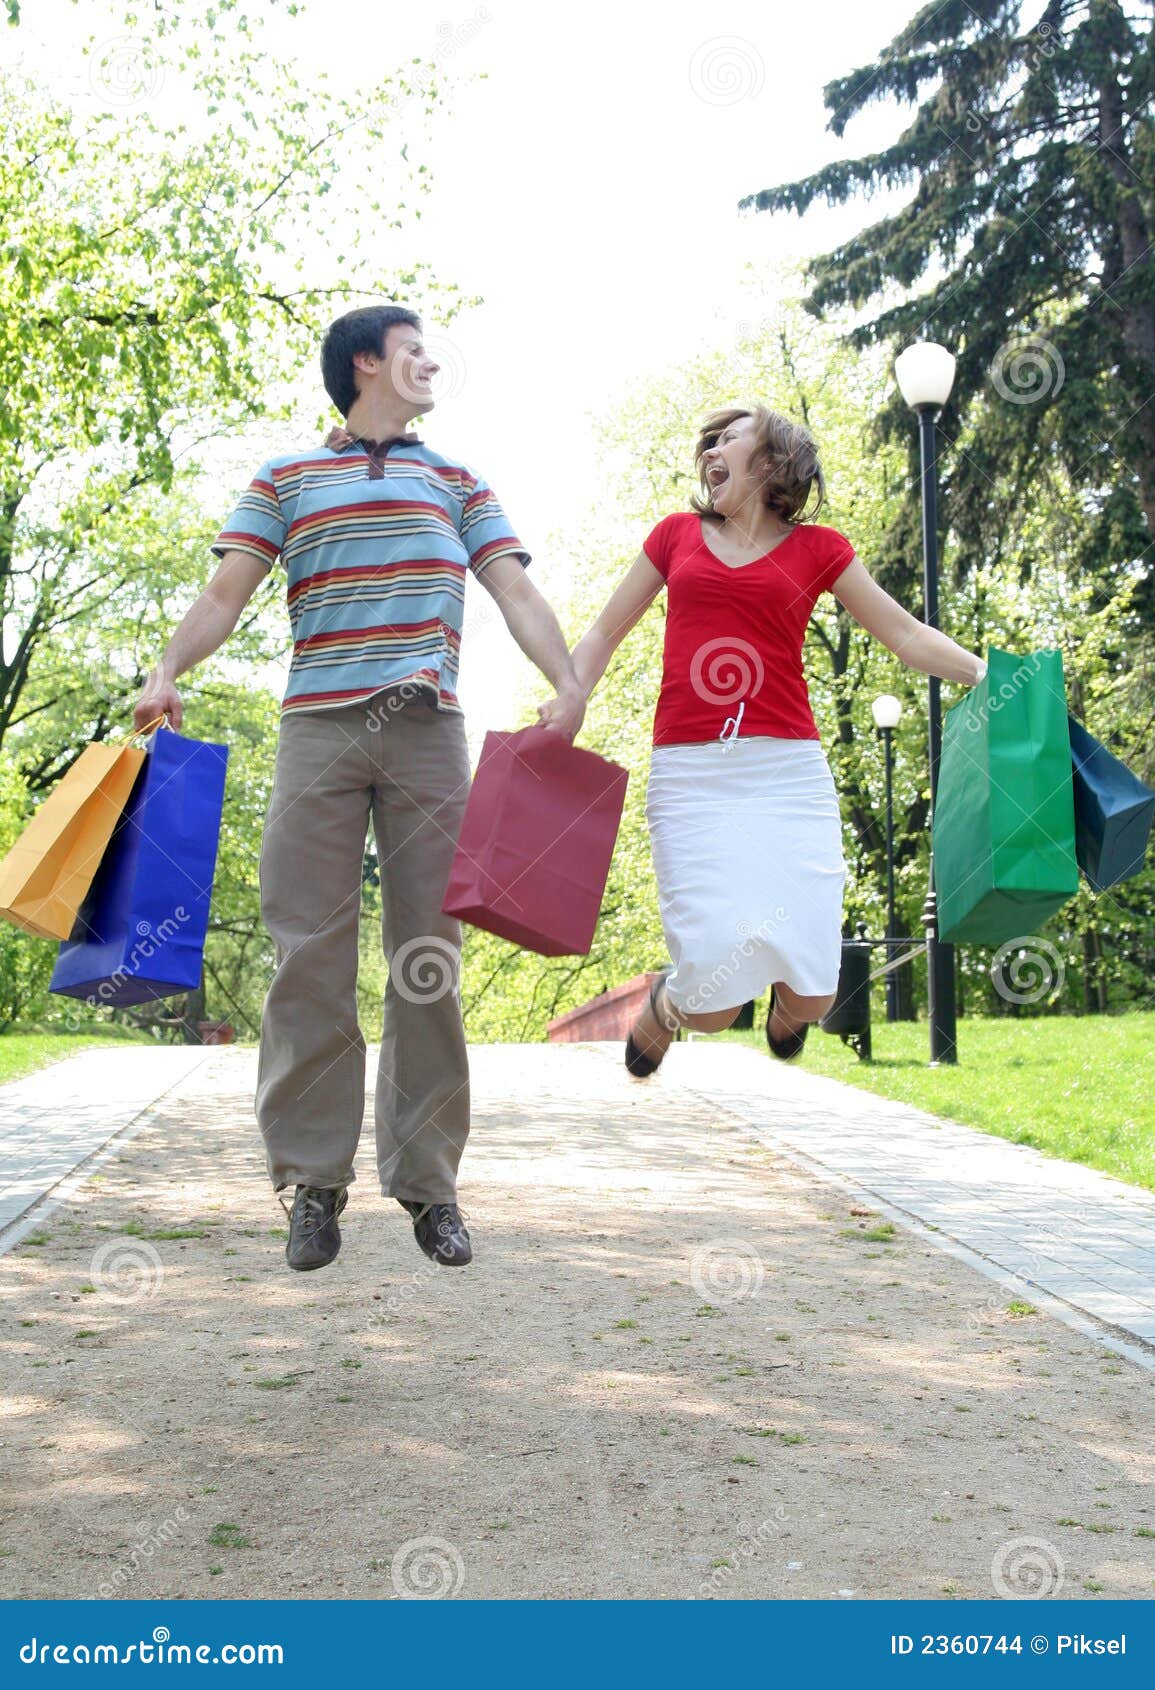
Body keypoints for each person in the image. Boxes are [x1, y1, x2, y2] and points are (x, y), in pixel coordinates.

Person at [133, 304, 585, 1272]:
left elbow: (515, 591)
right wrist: (167, 668)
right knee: (308, 957)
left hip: (428, 736)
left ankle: (430, 1185)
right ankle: (311, 1181)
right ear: (368, 362)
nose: (433, 362)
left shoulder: (457, 478)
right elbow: (224, 593)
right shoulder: (285, 477)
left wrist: (568, 681)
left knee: (429, 956)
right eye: (416, 348)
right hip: (318, 736)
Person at [541, 404, 985, 1074]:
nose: (712, 450)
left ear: (775, 460)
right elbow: (605, 630)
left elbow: (903, 634)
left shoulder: (819, 549)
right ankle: (667, 1004)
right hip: (692, 777)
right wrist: (571, 697)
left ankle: (788, 1007)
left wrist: (982, 671)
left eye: (730, 437)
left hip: (787, 776)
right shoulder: (675, 537)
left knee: (814, 993)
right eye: (708, 442)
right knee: (713, 1008)